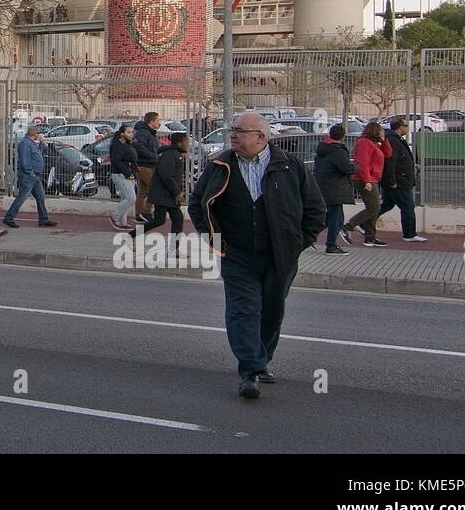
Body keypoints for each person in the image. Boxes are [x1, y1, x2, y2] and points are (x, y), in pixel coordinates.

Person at [189, 111, 325, 400]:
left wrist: (298, 242)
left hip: (280, 256)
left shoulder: (289, 166)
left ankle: (262, 359)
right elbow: (197, 203)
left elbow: (315, 208)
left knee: (271, 311)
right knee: (243, 311)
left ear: (261, 137)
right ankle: (250, 370)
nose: (232, 135)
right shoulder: (220, 164)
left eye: (239, 130)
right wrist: (214, 239)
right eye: (232, 130)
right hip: (236, 255)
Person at [343, 121, 392, 247]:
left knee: (374, 208)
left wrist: (384, 140)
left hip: (372, 179)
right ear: (375, 131)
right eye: (380, 131)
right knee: (374, 207)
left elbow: (388, 153)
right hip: (364, 179)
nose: (382, 132)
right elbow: (362, 163)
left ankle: (370, 237)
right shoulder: (364, 143)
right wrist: (367, 181)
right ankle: (349, 226)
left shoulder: (375, 144)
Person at [380, 117, 427, 243]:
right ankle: (409, 234)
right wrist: (391, 180)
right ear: (400, 127)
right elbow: (391, 162)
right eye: (406, 125)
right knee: (408, 207)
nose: (407, 128)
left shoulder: (396, 140)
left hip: (399, 179)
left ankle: (363, 223)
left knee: (387, 205)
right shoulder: (393, 141)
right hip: (399, 181)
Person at [136, 131, 189, 240]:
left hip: (166, 194)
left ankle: (175, 249)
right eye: (185, 141)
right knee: (162, 220)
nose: (187, 144)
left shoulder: (174, 154)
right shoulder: (171, 154)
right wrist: (177, 192)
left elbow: (170, 174)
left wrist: (180, 182)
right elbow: (166, 175)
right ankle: (131, 235)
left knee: (170, 219)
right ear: (179, 143)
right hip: (163, 194)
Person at [313, 123, 356, 254]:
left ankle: (308, 237)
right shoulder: (337, 150)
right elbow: (346, 168)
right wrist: (357, 167)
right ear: (343, 136)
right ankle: (331, 245)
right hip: (336, 187)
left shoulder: (323, 148)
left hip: (323, 185)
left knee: (328, 217)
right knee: (337, 218)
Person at [3, 125, 56, 228]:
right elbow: (24, 161)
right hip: (29, 176)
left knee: (41, 196)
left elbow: (45, 150)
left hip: (35, 176)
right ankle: (9, 218)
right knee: (22, 197)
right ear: (35, 134)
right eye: (38, 133)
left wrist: (41, 141)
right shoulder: (25, 143)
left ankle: (43, 219)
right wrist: (30, 172)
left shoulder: (32, 143)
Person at [108, 124, 140, 231]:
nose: (131, 134)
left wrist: (135, 171)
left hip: (130, 174)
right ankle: (115, 217)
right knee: (131, 198)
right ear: (122, 134)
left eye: (132, 132)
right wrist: (127, 173)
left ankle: (123, 222)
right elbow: (116, 161)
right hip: (121, 174)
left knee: (126, 198)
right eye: (128, 132)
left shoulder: (128, 144)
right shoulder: (118, 145)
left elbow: (132, 159)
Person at [133, 112, 162, 223]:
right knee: (154, 188)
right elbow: (140, 148)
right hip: (144, 165)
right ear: (151, 121)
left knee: (143, 191)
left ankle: (139, 214)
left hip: (148, 164)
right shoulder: (143, 133)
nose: (159, 122)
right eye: (158, 120)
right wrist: (155, 157)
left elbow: (152, 148)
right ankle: (146, 212)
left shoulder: (149, 133)